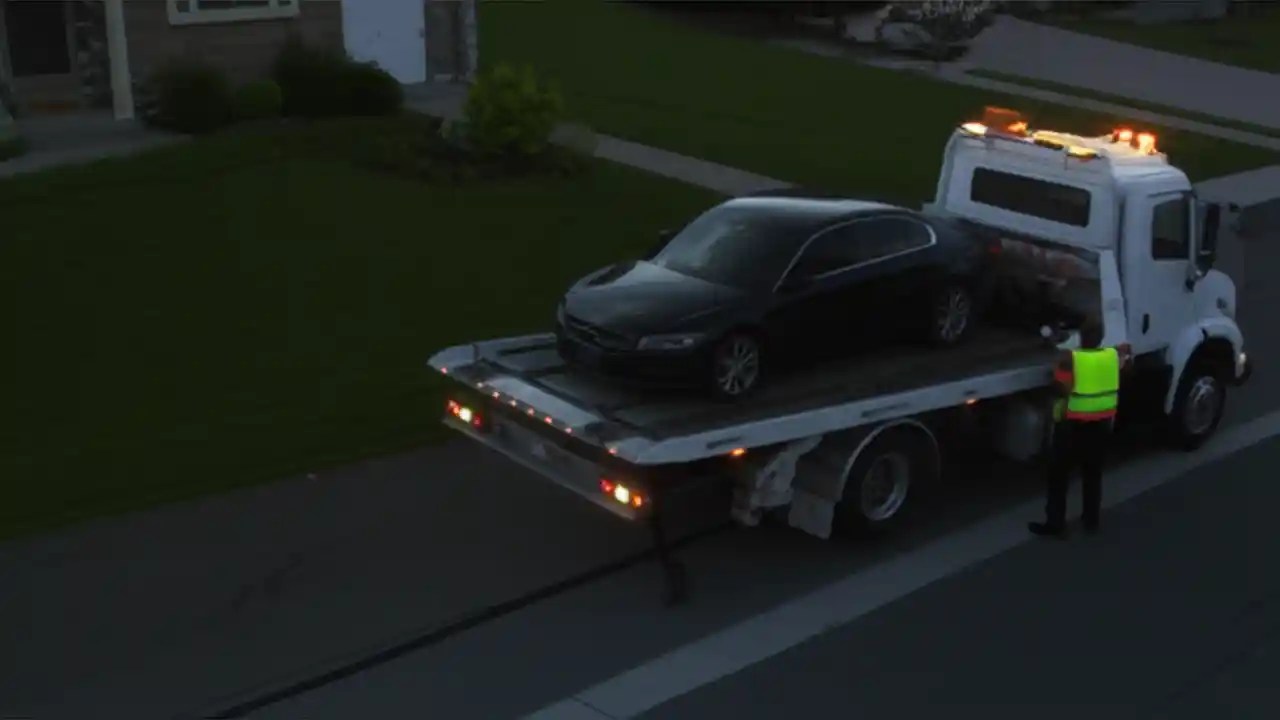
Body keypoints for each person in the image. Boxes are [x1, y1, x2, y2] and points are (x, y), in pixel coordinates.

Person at [1029, 318, 1130, 538]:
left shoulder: (1071, 359)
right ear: (1101, 338)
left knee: (1059, 476)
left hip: (1073, 426)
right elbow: (1125, 360)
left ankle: (1056, 524)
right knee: (1092, 475)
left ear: (1081, 337)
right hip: (1101, 425)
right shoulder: (1112, 357)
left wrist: (1054, 372)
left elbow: (1060, 388)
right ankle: (1091, 520)